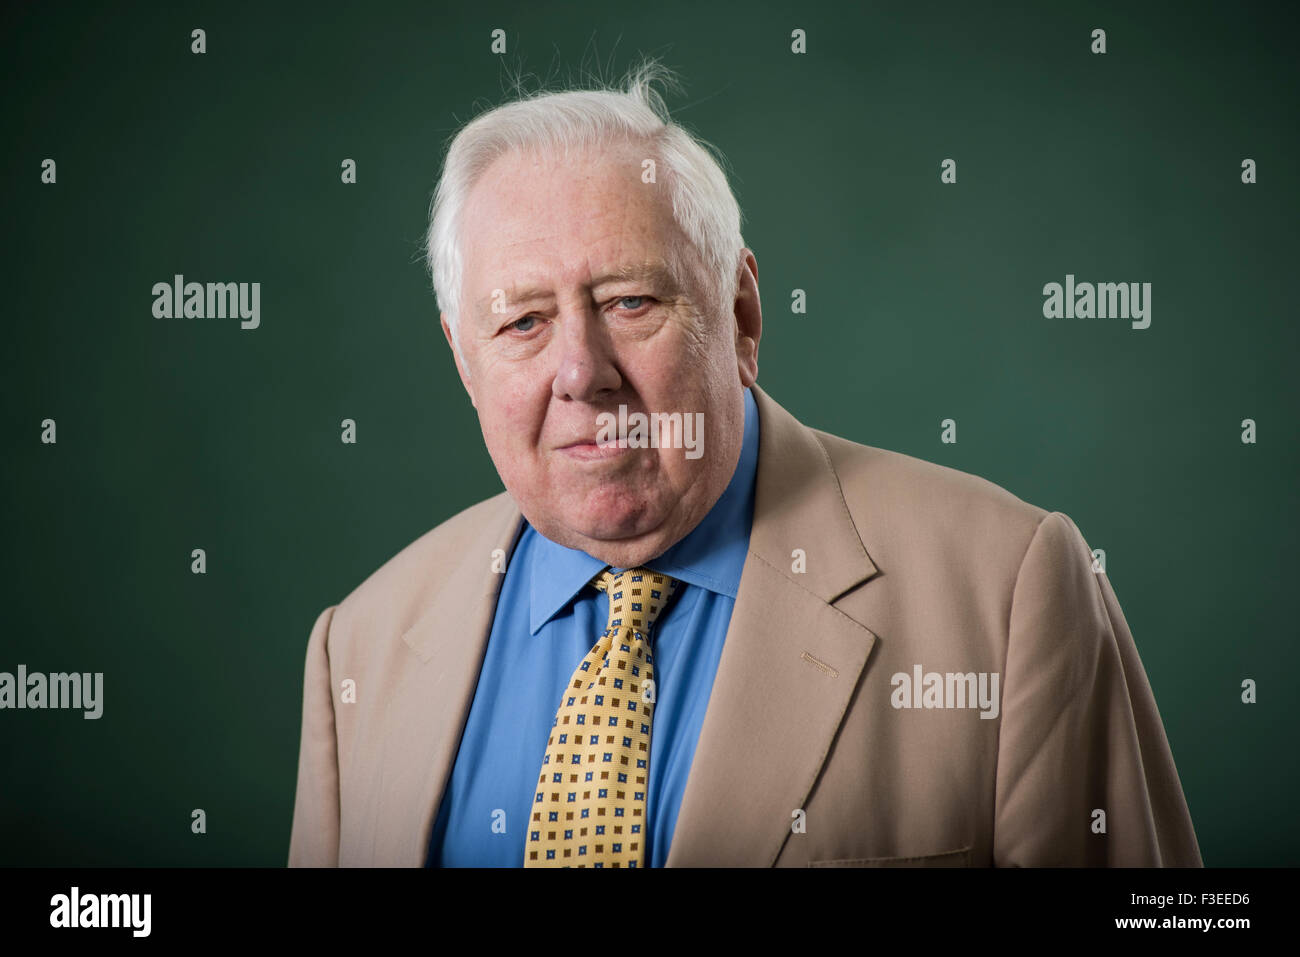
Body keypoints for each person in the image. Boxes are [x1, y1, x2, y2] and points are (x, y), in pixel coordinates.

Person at [288, 60, 1202, 867]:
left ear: (741, 316)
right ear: (464, 360)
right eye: (523, 322)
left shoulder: (1009, 595)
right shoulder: (357, 651)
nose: (580, 373)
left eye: (631, 299)